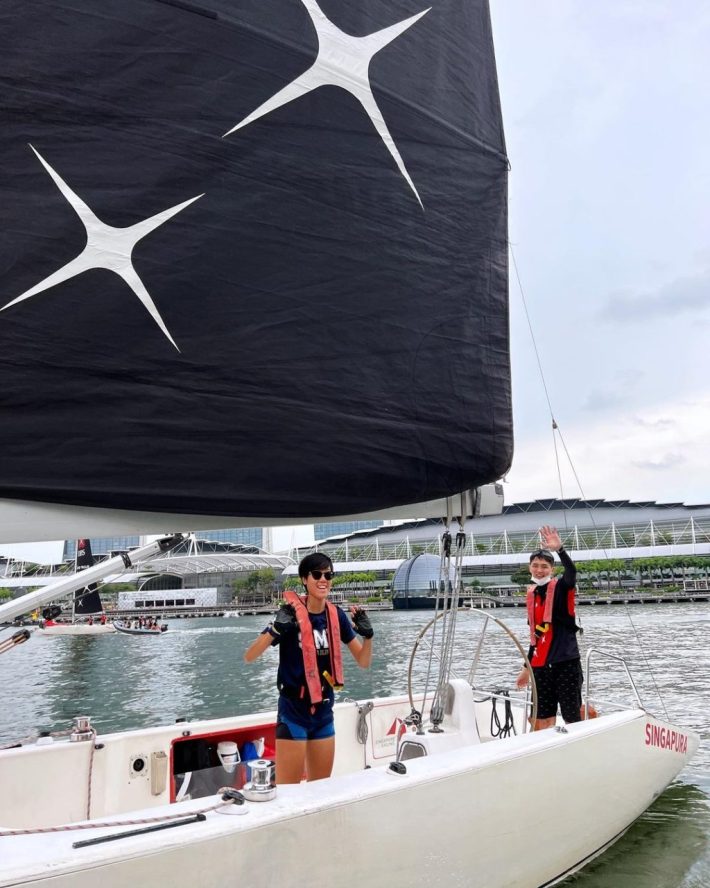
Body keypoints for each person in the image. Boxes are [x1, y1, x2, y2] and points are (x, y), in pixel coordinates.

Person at [244, 553, 373, 784]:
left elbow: (363, 662)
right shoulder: (290, 615)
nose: (323, 579)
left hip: (323, 712)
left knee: (320, 789)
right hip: (293, 710)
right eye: (317, 574)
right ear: (305, 579)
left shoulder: (336, 616)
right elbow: (250, 656)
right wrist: (276, 628)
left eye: (328, 574)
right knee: (288, 792)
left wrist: (369, 636)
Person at [515, 525, 583, 730]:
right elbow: (535, 637)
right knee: (541, 716)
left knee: (571, 714)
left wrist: (560, 550)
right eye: (535, 565)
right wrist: (526, 668)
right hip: (540, 665)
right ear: (530, 568)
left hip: (565, 661)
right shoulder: (532, 595)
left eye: (544, 566)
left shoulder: (562, 588)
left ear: (552, 569)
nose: (539, 569)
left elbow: (571, 572)